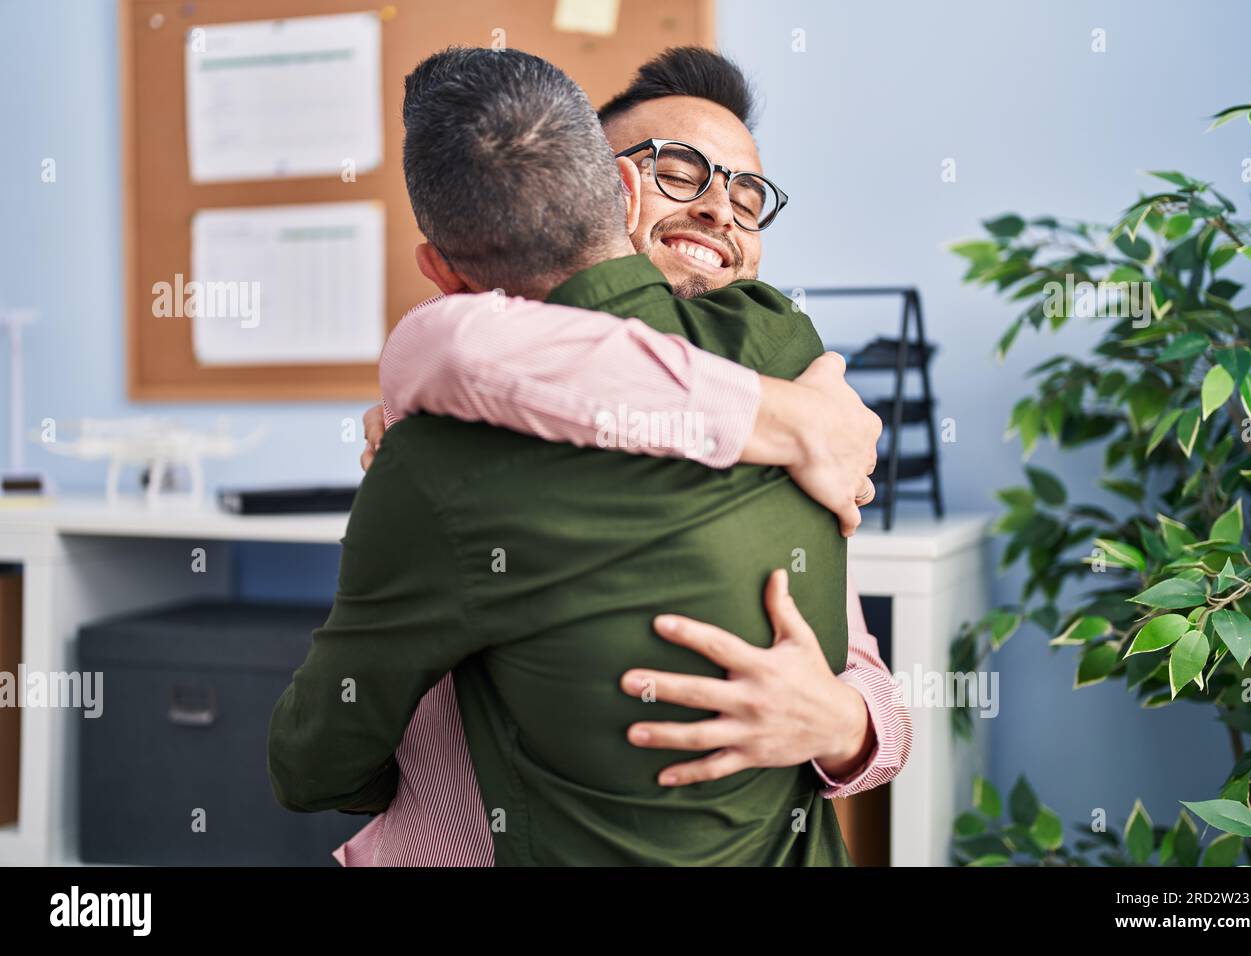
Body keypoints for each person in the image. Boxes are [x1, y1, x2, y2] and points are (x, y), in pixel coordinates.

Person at [269, 46, 897, 865]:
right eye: (681, 171)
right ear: (604, 189)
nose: (721, 211)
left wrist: (843, 724)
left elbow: (871, 682)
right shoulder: (802, 410)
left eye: (747, 194)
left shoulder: (801, 389)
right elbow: (458, 345)